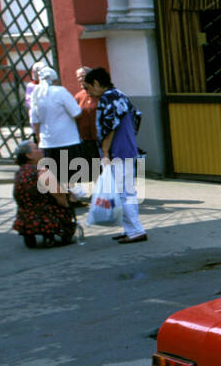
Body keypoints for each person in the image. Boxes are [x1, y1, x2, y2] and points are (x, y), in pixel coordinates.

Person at [84, 66, 146, 244]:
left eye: (88, 88)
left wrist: (105, 151)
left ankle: (135, 231)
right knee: (126, 191)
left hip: (117, 151)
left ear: (96, 83)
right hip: (126, 148)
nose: (89, 93)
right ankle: (131, 229)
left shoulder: (107, 98)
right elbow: (137, 116)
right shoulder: (119, 94)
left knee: (123, 192)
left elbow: (110, 126)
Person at [11, 140, 80, 248]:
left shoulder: (20, 172)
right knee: (68, 198)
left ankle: (30, 235)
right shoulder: (41, 171)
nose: (41, 150)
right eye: (36, 149)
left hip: (26, 213)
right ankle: (58, 232)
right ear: (29, 155)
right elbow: (58, 193)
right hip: (45, 212)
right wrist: (67, 202)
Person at [29, 66, 85, 191]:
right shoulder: (60, 91)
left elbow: (35, 121)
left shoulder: (36, 94)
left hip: (47, 142)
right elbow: (76, 113)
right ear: (55, 79)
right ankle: (73, 196)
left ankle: (58, 196)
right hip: (67, 139)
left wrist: (39, 138)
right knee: (70, 172)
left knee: (53, 173)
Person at [73, 66, 101, 182]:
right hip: (86, 140)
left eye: (83, 77)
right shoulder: (79, 96)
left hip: (101, 139)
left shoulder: (101, 93)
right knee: (93, 168)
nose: (80, 79)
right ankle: (99, 193)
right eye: (78, 77)